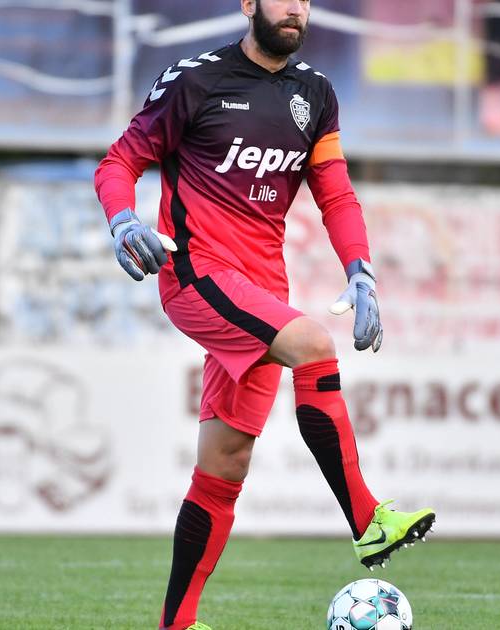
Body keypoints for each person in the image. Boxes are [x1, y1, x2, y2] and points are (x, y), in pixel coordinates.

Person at [93, 2, 435, 628]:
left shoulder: (317, 95)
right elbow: (118, 163)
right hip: (196, 275)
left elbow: (335, 191)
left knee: (224, 465)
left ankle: (177, 624)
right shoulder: (195, 80)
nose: (295, 10)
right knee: (313, 344)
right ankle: (367, 521)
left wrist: (361, 269)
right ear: (248, 3)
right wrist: (122, 220)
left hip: (263, 292)